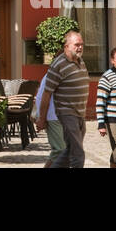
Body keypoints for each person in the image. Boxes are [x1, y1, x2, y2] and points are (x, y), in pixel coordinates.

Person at [35, 30, 88, 168]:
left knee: (68, 151)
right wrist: (41, 118)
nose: (80, 47)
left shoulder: (80, 61)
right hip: (66, 113)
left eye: (81, 44)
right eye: (76, 44)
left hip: (79, 114)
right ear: (66, 46)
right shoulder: (58, 65)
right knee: (78, 153)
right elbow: (46, 94)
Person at [33, 72, 64, 167]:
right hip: (54, 116)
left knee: (64, 152)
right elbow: (43, 96)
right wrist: (41, 118)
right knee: (60, 151)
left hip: (65, 116)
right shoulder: (55, 72)